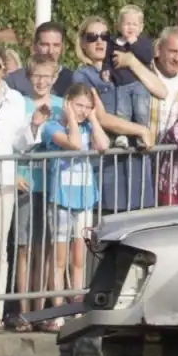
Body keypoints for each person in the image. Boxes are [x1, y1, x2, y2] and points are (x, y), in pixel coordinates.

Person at [71, 17, 164, 212]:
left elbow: (161, 91)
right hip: (109, 163)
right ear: (82, 43)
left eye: (105, 36)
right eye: (92, 37)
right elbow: (101, 117)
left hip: (137, 159)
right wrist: (141, 130)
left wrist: (132, 62)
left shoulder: (125, 65)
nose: (99, 41)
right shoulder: (82, 75)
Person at [36, 85, 107, 330]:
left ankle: (77, 310)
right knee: (59, 259)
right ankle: (57, 313)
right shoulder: (53, 127)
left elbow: (103, 144)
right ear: (68, 104)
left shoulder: (88, 125)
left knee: (79, 259)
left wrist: (94, 118)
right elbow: (75, 144)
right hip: (61, 199)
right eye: (79, 105)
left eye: (87, 107)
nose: (83, 111)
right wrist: (71, 119)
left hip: (84, 198)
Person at [8, 60, 59, 333]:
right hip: (27, 183)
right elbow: (14, 142)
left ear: (55, 76)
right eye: (36, 76)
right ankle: (24, 312)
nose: (41, 81)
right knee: (24, 247)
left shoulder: (62, 104)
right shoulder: (20, 104)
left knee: (46, 249)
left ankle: (41, 312)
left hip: (54, 184)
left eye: (46, 76)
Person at [0, 43, 28, 332]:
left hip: (1, 179)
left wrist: (36, 125)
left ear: (4, 69)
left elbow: (22, 144)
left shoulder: (14, 99)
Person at [7, 24, 73, 100]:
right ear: (34, 46)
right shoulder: (15, 81)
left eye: (56, 45)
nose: (50, 51)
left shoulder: (71, 80)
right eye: (45, 45)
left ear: (62, 48)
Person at [152, 28, 178, 141]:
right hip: (142, 156)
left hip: (172, 157)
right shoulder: (144, 75)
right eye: (172, 51)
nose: (177, 58)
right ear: (159, 50)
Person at [111, 7, 155, 89]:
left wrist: (134, 44)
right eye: (127, 24)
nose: (130, 27)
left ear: (141, 28)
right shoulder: (114, 43)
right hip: (120, 86)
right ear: (119, 26)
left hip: (140, 84)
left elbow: (148, 57)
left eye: (134, 24)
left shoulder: (143, 42)